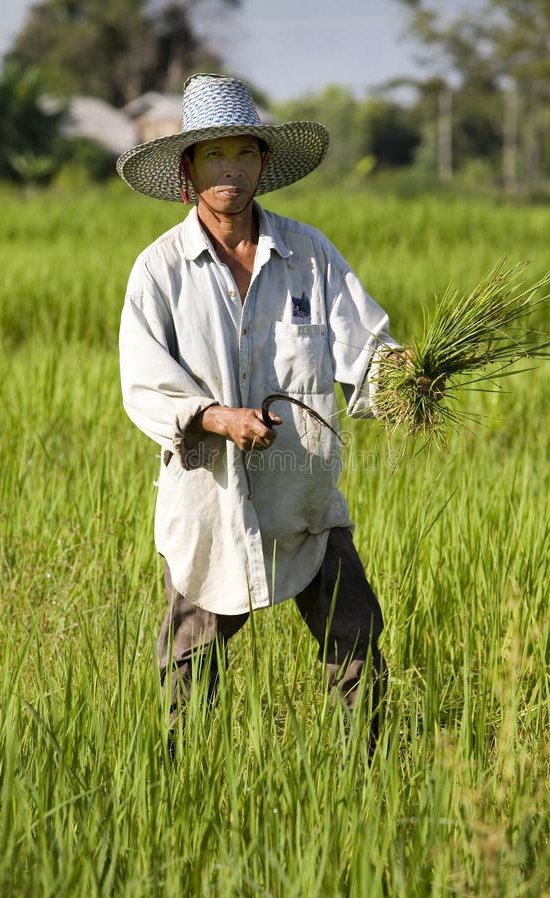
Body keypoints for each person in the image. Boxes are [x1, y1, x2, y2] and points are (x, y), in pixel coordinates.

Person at [117, 73, 400, 755]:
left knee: (355, 635)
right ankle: (178, 778)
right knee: (191, 657)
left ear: (263, 165)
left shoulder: (309, 255)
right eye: (213, 155)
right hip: (212, 496)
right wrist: (216, 417)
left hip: (302, 490)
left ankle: (374, 770)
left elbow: (365, 348)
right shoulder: (161, 270)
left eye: (243, 154)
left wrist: (407, 377)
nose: (230, 171)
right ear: (188, 167)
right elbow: (144, 380)